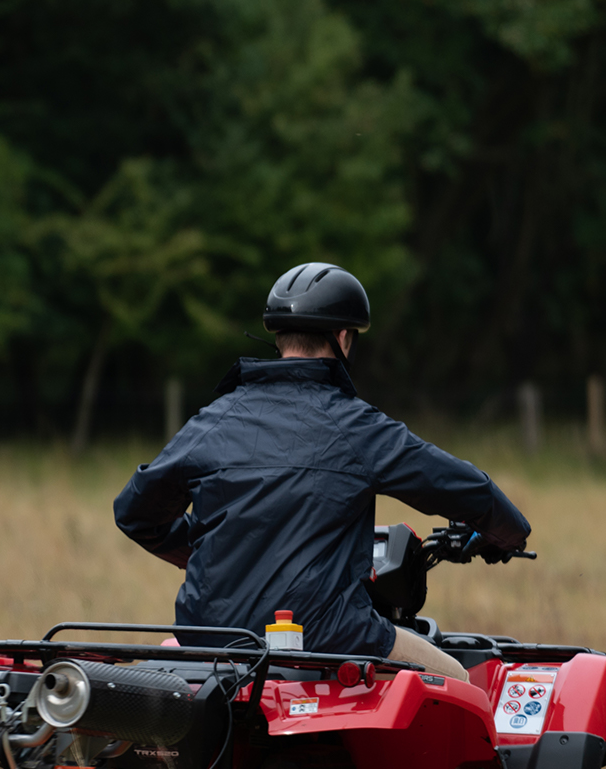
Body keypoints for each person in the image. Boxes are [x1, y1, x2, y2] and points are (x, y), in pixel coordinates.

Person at [113, 262, 531, 678]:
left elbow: (135, 512)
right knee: (458, 683)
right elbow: (462, 488)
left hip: (209, 645)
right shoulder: (357, 427)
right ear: (343, 338)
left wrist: (213, 556)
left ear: (278, 338)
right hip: (330, 640)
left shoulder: (213, 419)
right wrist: (507, 535)